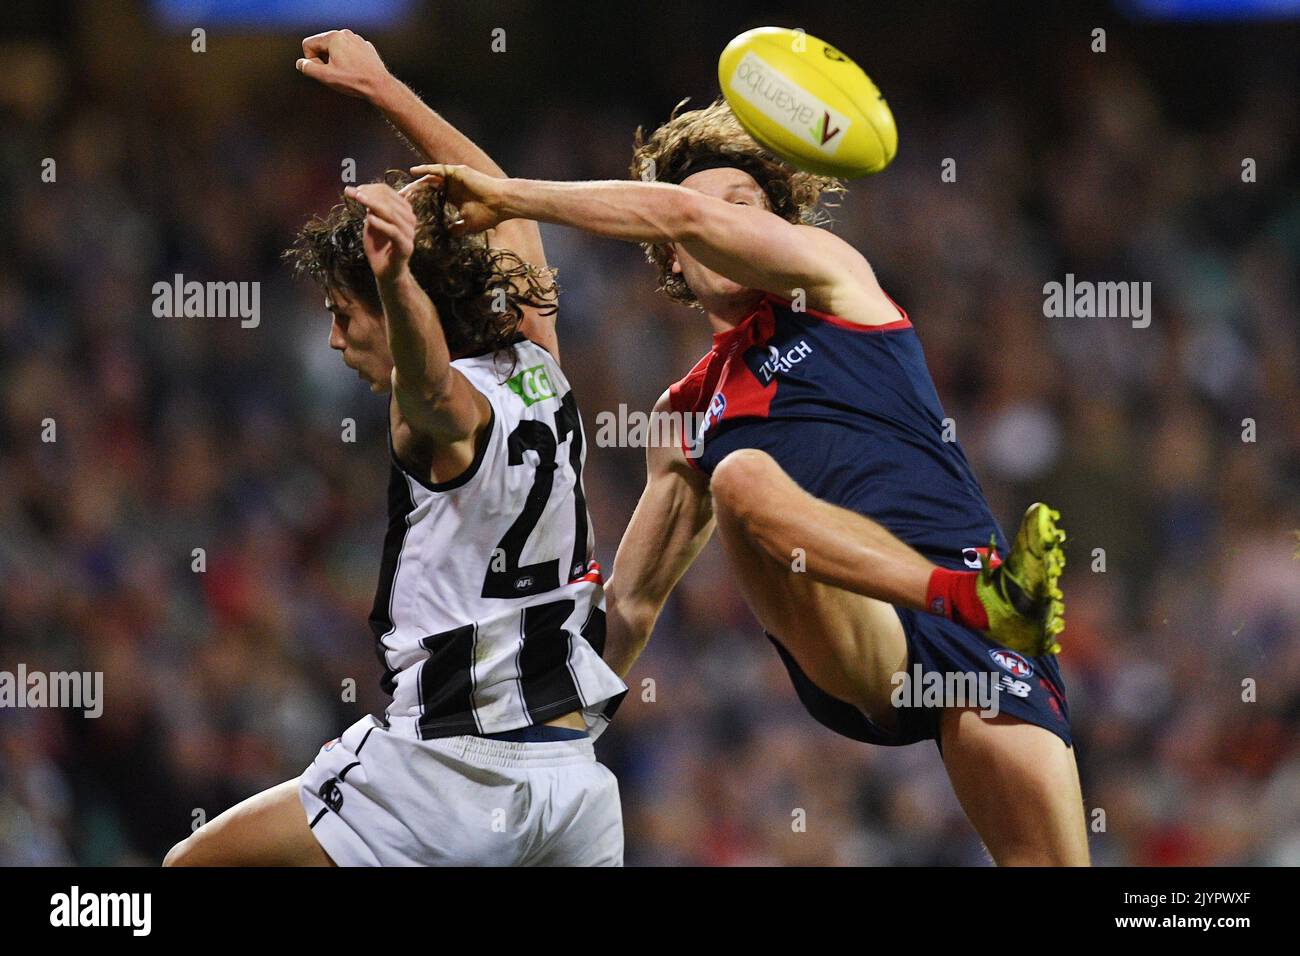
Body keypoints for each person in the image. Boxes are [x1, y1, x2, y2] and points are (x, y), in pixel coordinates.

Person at [416, 98, 1087, 865]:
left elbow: (679, 215)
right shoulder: (683, 417)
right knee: (741, 477)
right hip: (863, 636)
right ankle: (979, 598)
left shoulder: (835, 281)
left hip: (980, 636)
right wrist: (541, 733)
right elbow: (631, 605)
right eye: (703, 214)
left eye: (750, 206)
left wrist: (509, 196)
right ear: (669, 254)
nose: (730, 224)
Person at [163, 32, 625, 867]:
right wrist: (385, 91)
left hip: (446, 777)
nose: (335, 339)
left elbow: (427, 378)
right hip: (576, 786)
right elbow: (509, 206)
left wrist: (395, 279)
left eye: (347, 314)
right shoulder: (540, 367)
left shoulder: (434, 416)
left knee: (185, 869)